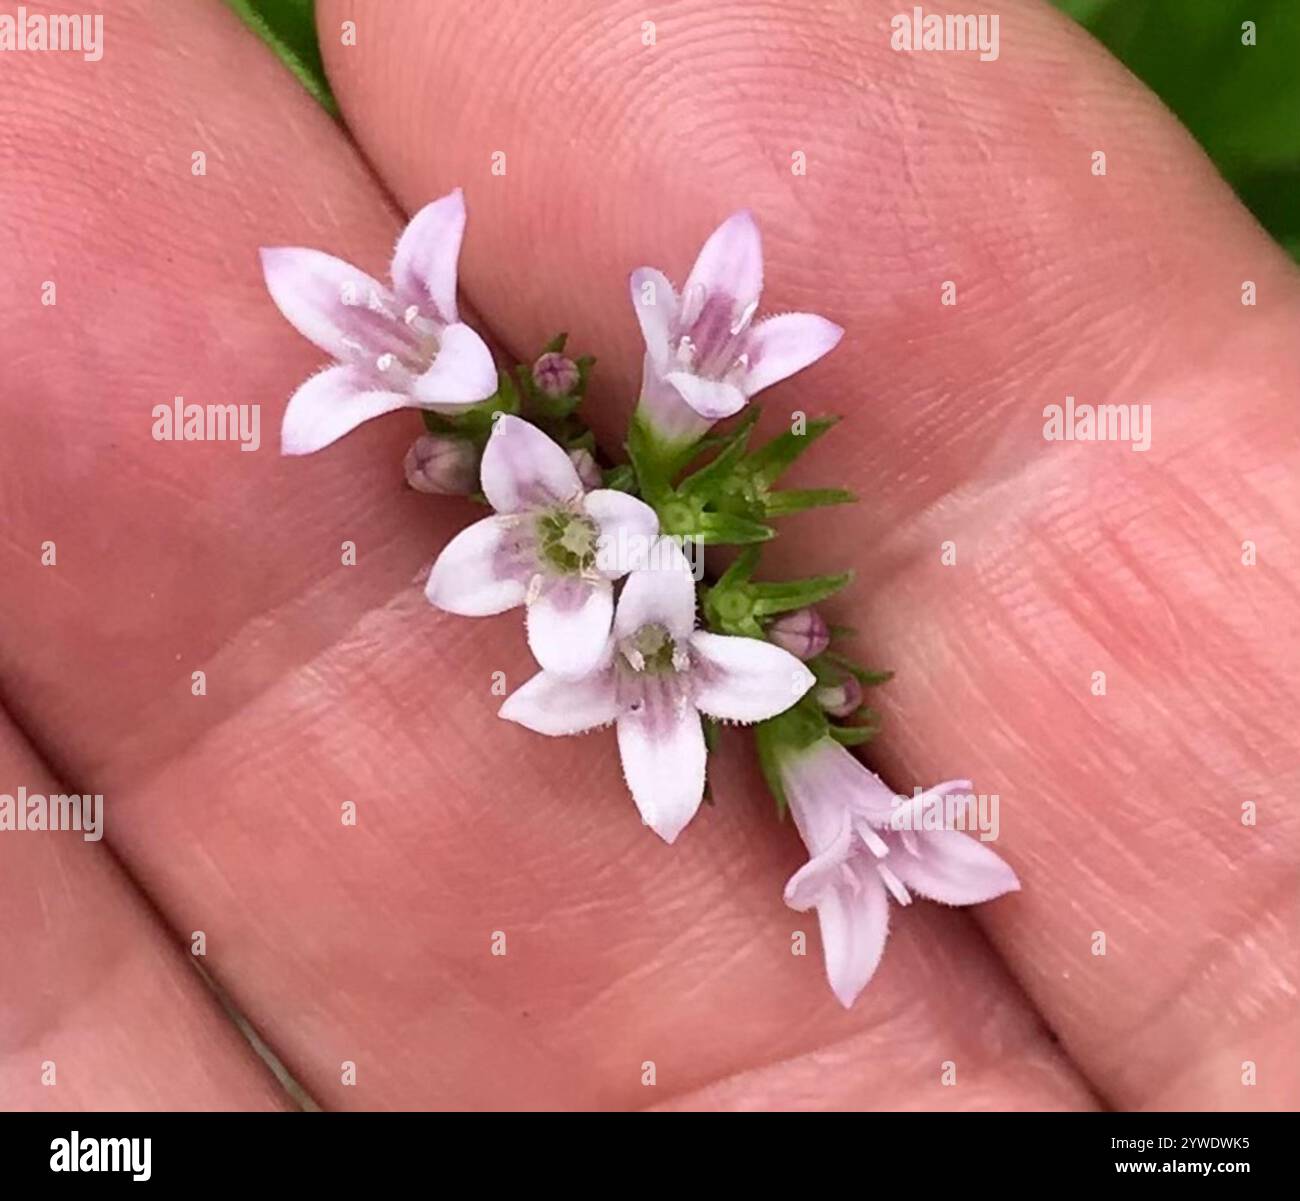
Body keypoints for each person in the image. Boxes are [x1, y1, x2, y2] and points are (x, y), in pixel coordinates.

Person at [0, 0, 1294, 1111]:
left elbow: (639, 578)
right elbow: (610, 565)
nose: (568, 541)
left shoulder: (640, 592)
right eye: (556, 533)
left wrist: (644, 553)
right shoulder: (584, 547)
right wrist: (622, 509)